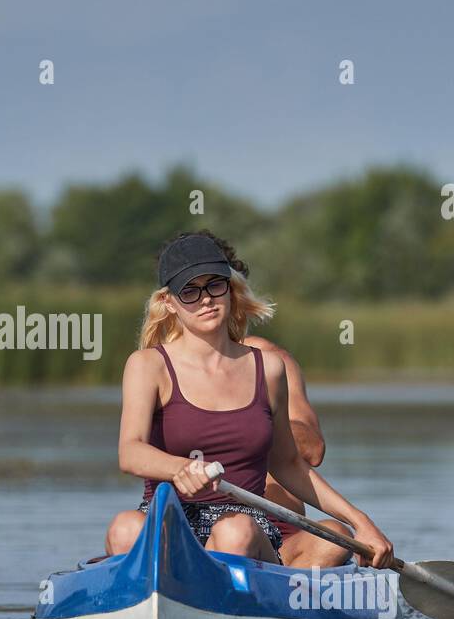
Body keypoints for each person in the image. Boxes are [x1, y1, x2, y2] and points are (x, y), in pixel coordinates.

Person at [105, 232, 393, 569]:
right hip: (170, 521)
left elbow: (288, 463)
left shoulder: (268, 368)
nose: (205, 300)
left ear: (230, 288)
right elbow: (131, 451)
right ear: (169, 302)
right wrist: (179, 468)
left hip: (244, 526)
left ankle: (225, 599)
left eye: (215, 285)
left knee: (238, 532)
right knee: (125, 528)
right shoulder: (147, 365)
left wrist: (362, 522)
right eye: (190, 291)